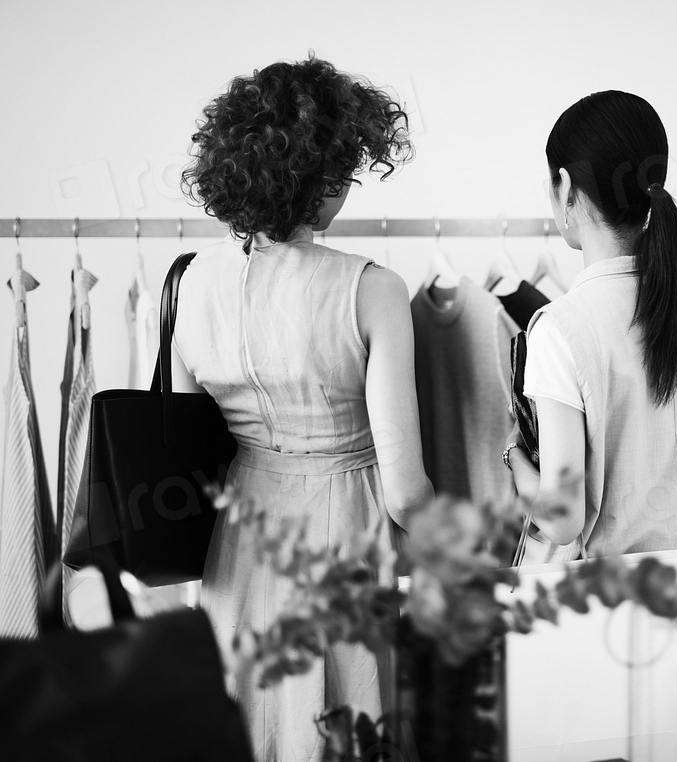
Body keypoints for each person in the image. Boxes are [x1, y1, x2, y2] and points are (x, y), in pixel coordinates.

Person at [175, 54, 433, 761]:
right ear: (320, 178)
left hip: (240, 539)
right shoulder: (372, 289)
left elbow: (186, 438)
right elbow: (406, 493)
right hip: (345, 533)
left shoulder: (191, 283)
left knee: (249, 726)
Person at [506, 93, 677, 736]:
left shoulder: (562, 327)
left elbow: (561, 515)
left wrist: (512, 458)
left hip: (615, 623)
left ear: (566, 188)